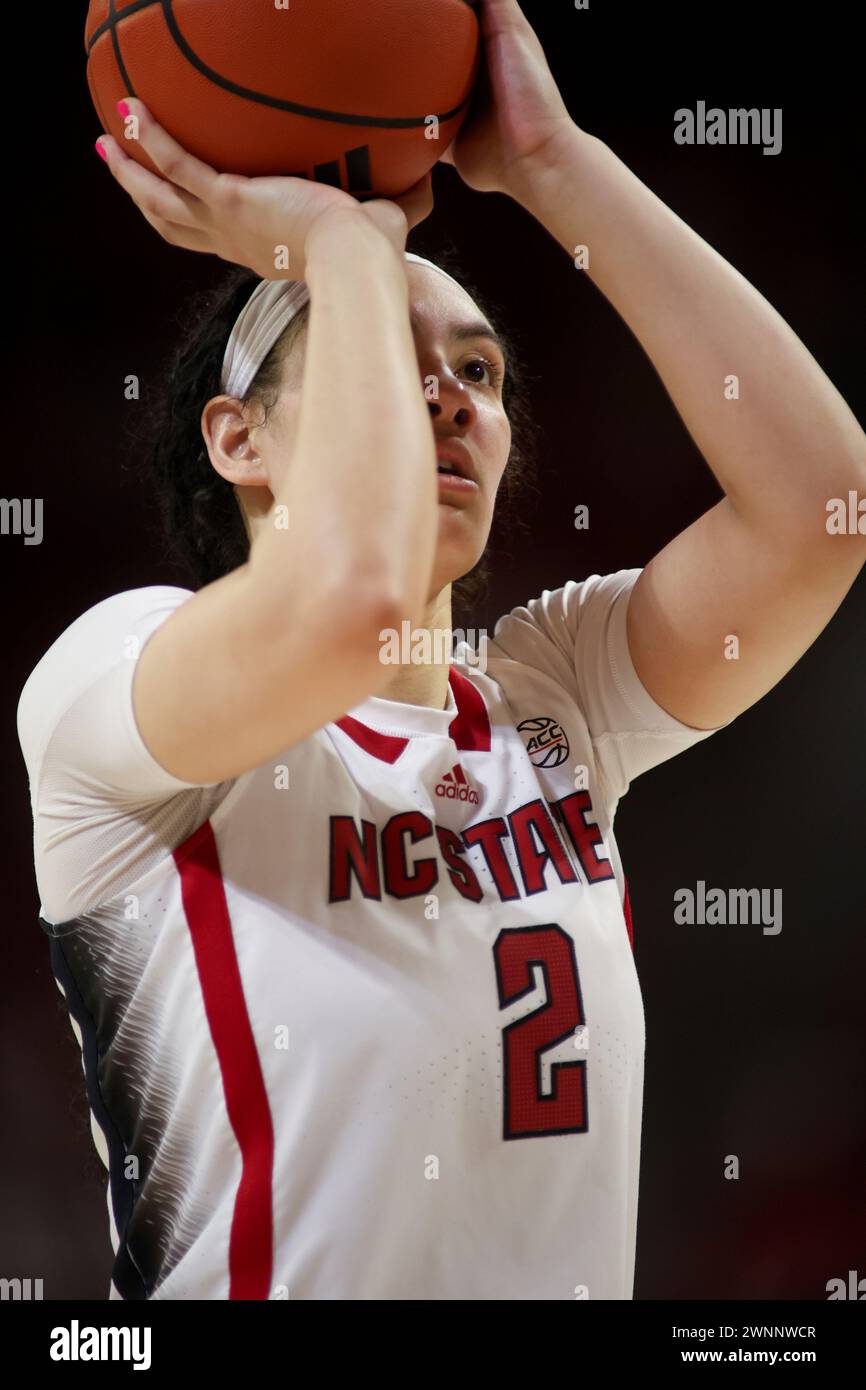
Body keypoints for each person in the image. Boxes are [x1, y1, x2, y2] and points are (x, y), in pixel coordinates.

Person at [18, 0, 865, 1301]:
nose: (451, 396)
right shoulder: (112, 674)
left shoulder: (552, 695)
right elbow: (347, 601)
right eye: (387, 353)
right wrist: (339, 239)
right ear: (238, 439)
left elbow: (823, 510)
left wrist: (552, 163)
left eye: (478, 369)